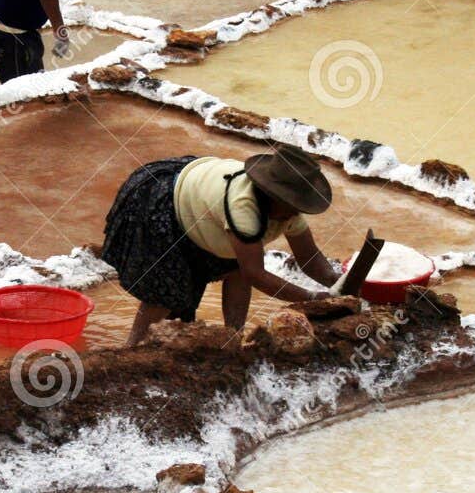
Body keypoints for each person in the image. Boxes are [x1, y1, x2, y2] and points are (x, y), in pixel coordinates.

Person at [102, 146, 342, 345]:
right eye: (291, 206)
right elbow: (256, 274)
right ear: (272, 195)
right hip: (166, 205)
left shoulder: (288, 211)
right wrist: (311, 299)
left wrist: (338, 283)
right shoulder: (243, 206)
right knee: (165, 293)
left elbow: (309, 258)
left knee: (236, 268)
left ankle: (233, 340)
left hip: (205, 203)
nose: (294, 213)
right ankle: (132, 348)